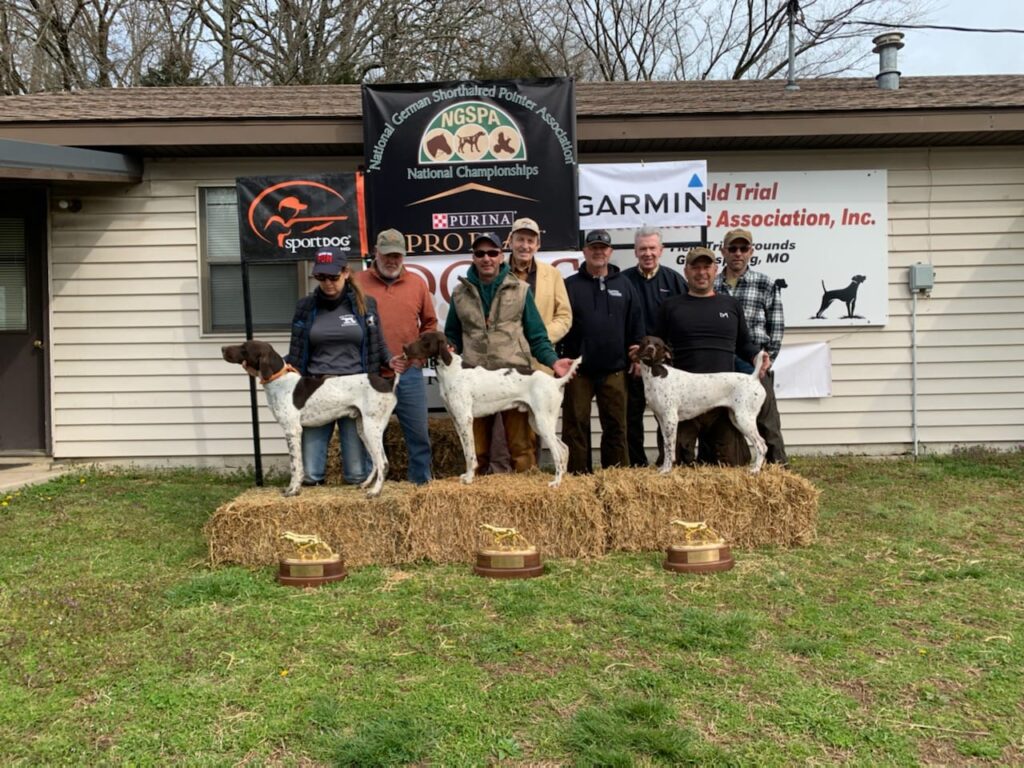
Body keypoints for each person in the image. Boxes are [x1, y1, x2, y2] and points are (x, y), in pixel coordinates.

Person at [444, 232, 574, 475]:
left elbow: (537, 336)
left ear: (501, 256)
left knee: (522, 450)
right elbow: (452, 334)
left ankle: (527, 502)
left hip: (514, 376)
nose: (486, 258)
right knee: (478, 452)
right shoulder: (459, 293)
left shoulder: (521, 290)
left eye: (492, 253)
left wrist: (553, 362)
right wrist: (449, 345)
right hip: (474, 378)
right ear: (473, 257)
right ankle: (477, 502)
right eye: (480, 253)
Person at [285, 246, 407, 486]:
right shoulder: (305, 307)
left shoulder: (365, 304)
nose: (328, 282)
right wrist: (276, 369)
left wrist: (390, 360)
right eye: (321, 277)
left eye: (333, 276)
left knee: (355, 471)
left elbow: (377, 343)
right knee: (310, 472)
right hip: (316, 388)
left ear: (346, 272)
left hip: (355, 387)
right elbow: (296, 350)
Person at [654, 246, 768, 467]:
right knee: (676, 467)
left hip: (722, 399)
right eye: (695, 267)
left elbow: (744, 344)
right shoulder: (670, 306)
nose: (701, 272)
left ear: (716, 270)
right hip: (684, 399)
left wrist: (757, 357)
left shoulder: (731, 305)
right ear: (686, 271)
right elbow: (657, 344)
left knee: (734, 465)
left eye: (706, 267)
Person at [354, 228, 437, 485]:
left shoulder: (417, 284)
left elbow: (430, 324)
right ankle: (374, 485)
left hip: (408, 372)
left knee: (418, 434)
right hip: (370, 373)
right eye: (387, 255)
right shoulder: (356, 282)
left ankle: (420, 485)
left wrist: (418, 357)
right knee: (370, 434)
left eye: (397, 256)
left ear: (404, 256)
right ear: (376, 253)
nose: (392, 260)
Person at [559, 229, 645, 474]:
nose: (598, 252)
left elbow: (636, 324)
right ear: (585, 251)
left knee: (617, 426)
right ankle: (577, 477)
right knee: (575, 426)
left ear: (610, 252)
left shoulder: (625, 285)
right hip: (578, 370)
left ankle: (616, 478)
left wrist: (637, 356)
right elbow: (559, 323)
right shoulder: (570, 286)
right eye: (593, 247)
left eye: (603, 248)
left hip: (615, 369)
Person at [713, 227, 789, 466]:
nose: (738, 253)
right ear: (723, 251)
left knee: (766, 420)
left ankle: (779, 467)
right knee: (727, 420)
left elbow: (776, 326)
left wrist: (767, 360)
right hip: (723, 362)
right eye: (732, 248)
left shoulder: (765, 283)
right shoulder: (711, 285)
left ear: (751, 251)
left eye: (743, 248)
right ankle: (734, 466)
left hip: (753, 362)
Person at [503, 216, 572, 464]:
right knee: (515, 433)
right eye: (520, 239)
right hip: (506, 363)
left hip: (540, 362)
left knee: (540, 426)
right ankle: (518, 480)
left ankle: (534, 477)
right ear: (510, 242)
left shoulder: (551, 275)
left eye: (530, 241)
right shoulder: (498, 271)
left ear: (538, 245)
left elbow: (564, 316)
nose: (525, 245)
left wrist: (538, 336)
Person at [621, 226, 688, 467]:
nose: (647, 253)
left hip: (664, 367)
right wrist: (635, 357)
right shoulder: (624, 280)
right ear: (635, 251)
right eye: (642, 249)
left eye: (652, 248)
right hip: (633, 363)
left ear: (661, 250)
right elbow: (620, 321)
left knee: (667, 416)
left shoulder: (675, 281)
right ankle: (636, 464)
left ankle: (666, 462)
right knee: (631, 416)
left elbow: (682, 324)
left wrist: (665, 357)